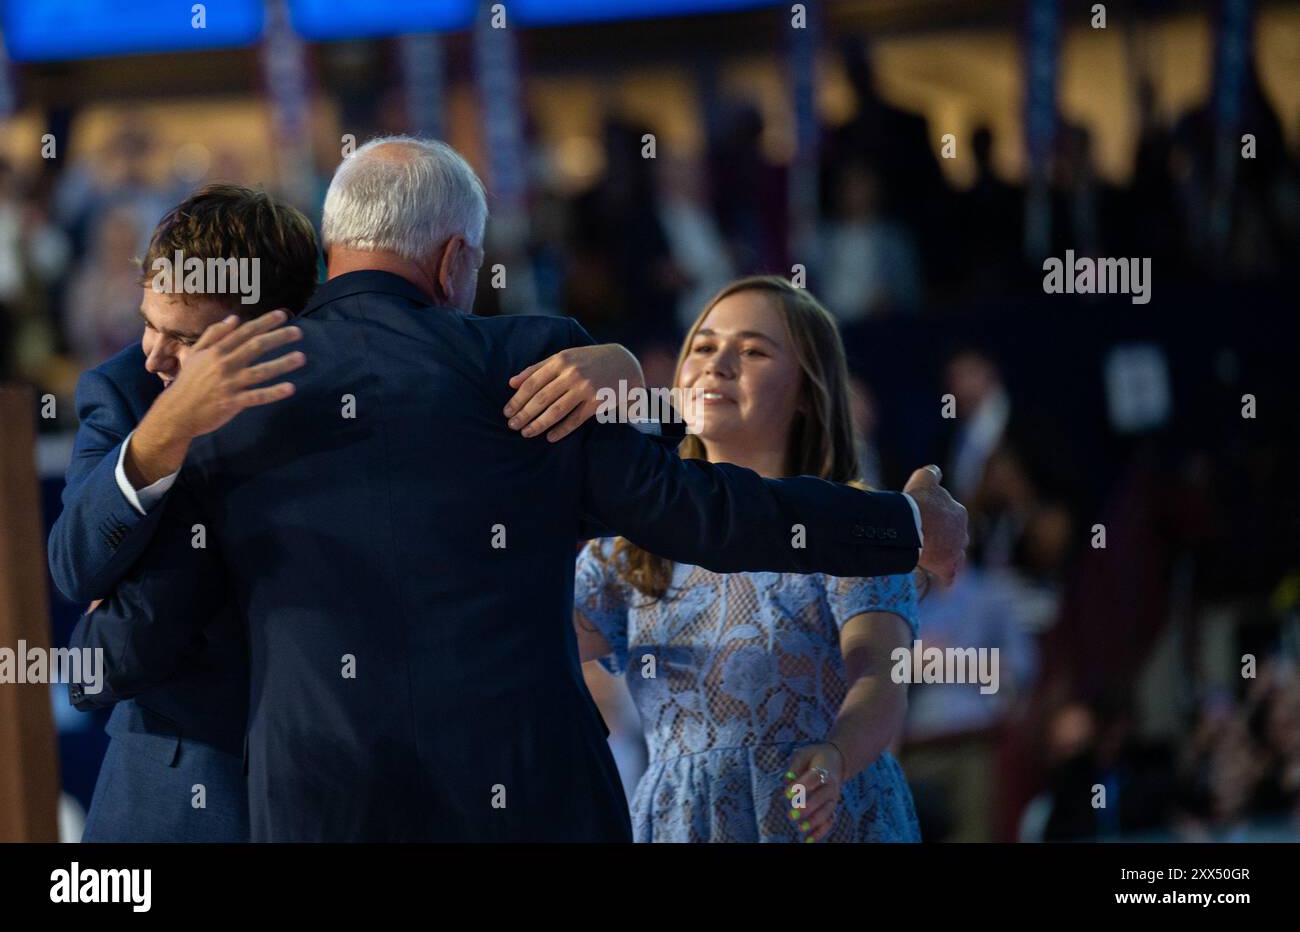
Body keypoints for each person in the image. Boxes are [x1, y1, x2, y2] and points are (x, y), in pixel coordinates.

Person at [78, 136, 967, 842]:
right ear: (456, 259)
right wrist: (899, 519)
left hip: (321, 806)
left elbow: (145, 620)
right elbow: (712, 514)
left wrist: (91, 661)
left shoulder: (225, 388)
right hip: (530, 804)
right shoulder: (537, 370)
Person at [568, 276, 923, 841]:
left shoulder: (853, 525)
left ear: (808, 392)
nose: (718, 364)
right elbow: (530, 635)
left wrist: (836, 753)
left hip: (821, 817)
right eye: (703, 347)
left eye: (753, 350)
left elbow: (880, 675)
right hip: (684, 823)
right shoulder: (625, 549)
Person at [53, 184, 320, 841]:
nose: (152, 354)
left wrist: (612, 368)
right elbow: (72, 566)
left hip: (330, 779)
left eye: (183, 338)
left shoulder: (343, 396)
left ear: (266, 332)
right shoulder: (124, 391)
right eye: (148, 322)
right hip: (163, 787)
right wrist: (159, 435)